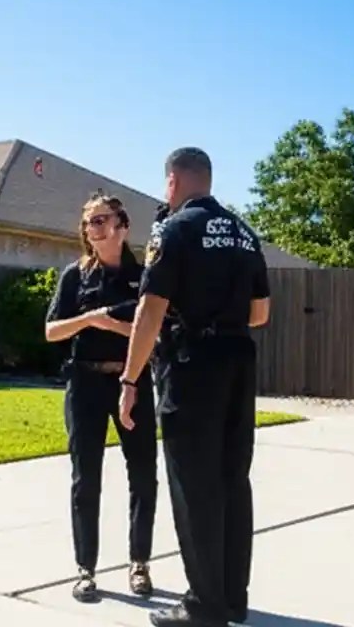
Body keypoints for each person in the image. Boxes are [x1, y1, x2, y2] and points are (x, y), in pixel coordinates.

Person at [117, 147, 271, 627]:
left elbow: (151, 308)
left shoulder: (173, 229)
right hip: (239, 362)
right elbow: (261, 313)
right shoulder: (245, 234)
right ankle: (231, 598)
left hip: (191, 366)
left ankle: (203, 606)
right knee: (232, 481)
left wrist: (129, 378)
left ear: (172, 182)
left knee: (192, 484)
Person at [45, 192, 158, 603]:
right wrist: (91, 319)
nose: (92, 228)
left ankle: (139, 563)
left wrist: (113, 327)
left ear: (122, 226)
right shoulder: (74, 277)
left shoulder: (145, 276)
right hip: (85, 385)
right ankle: (85, 570)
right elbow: (52, 331)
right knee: (85, 477)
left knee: (143, 473)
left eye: (100, 220)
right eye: (88, 222)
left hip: (132, 382)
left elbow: (158, 332)